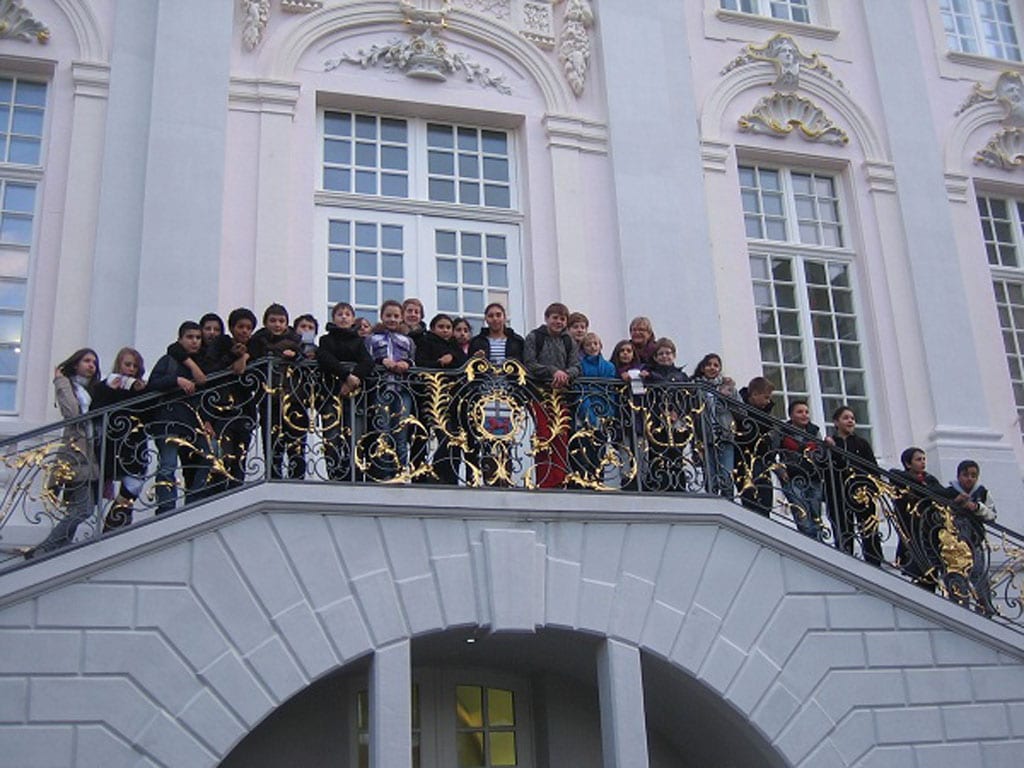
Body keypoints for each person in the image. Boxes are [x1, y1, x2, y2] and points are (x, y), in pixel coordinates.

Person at [30, 349, 102, 557]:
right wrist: (60, 382)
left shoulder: (91, 390)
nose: (91, 366)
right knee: (83, 509)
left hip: (89, 454)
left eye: (94, 363)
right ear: (75, 364)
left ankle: (59, 547)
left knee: (79, 508)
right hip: (76, 454)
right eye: (87, 361)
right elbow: (71, 413)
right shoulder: (69, 386)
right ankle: (47, 547)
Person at [147, 323, 212, 514]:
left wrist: (207, 420)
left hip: (193, 422)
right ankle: (166, 507)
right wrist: (176, 380)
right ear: (180, 339)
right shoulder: (168, 360)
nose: (194, 341)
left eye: (198, 338)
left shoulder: (201, 362)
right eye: (190, 337)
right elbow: (152, 385)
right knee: (168, 465)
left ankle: (194, 498)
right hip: (168, 421)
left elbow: (205, 394)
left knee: (211, 452)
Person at [467, 302, 525, 485]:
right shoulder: (477, 341)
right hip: (485, 395)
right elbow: (470, 368)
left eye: (498, 315)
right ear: (486, 319)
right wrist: (477, 359)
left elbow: (522, 366)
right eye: (491, 315)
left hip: (508, 395)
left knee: (506, 436)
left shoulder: (516, 341)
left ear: (504, 317)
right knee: (486, 436)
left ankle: (504, 477)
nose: (495, 318)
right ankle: (489, 477)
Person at [524, 302, 580, 488]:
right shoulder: (534, 337)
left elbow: (576, 366)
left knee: (561, 436)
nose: (558, 321)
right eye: (555, 317)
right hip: (540, 394)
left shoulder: (568, 341)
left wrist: (565, 374)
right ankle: (544, 480)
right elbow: (530, 364)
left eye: (562, 319)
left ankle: (559, 479)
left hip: (562, 394)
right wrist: (552, 371)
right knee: (544, 435)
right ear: (547, 318)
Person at [92, 347, 148, 531]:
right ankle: (110, 526)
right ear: (119, 364)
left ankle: (113, 524)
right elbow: (95, 412)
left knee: (133, 485)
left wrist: (142, 390)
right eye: (128, 364)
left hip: (134, 443)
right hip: (111, 443)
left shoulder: (140, 387)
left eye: (135, 366)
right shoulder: (105, 385)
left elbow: (147, 413)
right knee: (101, 484)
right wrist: (111, 391)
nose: (131, 369)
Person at [891, 447, 961, 593]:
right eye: (918, 459)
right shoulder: (901, 479)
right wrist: (923, 488)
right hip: (913, 529)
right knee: (920, 570)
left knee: (933, 568)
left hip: (931, 531)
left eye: (924, 459)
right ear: (908, 464)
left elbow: (942, 492)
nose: (923, 462)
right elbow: (893, 474)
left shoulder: (929, 479)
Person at [318, 302, 374, 481]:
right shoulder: (326, 340)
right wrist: (346, 376)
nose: (343, 317)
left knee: (355, 437)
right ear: (333, 318)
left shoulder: (358, 341)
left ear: (352, 320)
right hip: (330, 394)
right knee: (332, 437)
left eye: (347, 314)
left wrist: (353, 379)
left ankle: (355, 476)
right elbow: (326, 358)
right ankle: (335, 475)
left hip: (355, 397)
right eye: (339, 314)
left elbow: (368, 362)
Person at [249, 303, 305, 479]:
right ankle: (273, 476)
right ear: (265, 322)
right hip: (269, 398)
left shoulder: (297, 341)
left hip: (295, 398)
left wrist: (296, 356)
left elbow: (308, 359)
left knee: (296, 442)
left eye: (281, 321)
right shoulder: (257, 342)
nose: (277, 324)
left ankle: (297, 479)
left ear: (287, 323)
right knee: (272, 441)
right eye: (272, 320)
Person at [825, 406, 883, 566]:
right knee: (843, 527)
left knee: (869, 528)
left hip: (861, 491)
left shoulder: (861, 443)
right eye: (846, 418)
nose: (850, 421)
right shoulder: (831, 442)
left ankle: (874, 562)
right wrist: (832, 448)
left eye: (852, 418)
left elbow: (873, 468)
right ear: (836, 422)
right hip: (839, 491)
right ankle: (845, 560)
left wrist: (872, 488)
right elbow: (828, 466)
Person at [365, 299, 417, 479]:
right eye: (388, 315)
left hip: (402, 390)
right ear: (381, 316)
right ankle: (382, 474)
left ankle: (400, 472)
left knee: (401, 433)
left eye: (396, 316)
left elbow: (413, 360)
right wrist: (381, 361)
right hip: (381, 388)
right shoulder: (372, 339)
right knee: (383, 431)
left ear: (402, 318)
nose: (392, 319)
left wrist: (406, 363)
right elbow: (367, 359)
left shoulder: (408, 340)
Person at [416, 313, 468, 483]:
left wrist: (452, 357)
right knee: (446, 438)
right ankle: (435, 473)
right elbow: (421, 364)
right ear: (433, 329)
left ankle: (449, 479)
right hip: (434, 397)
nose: (445, 330)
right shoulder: (426, 342)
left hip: (454, 398)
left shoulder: (454, 346)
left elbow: (463, 364)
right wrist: (440, 362)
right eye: (441, 327)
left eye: (448, 327)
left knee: (456, 440)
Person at [948, 459, 998, 613]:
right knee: (956, 574)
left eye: (973, 475)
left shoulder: (982, 493)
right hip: (955, 543)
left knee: (978, 573)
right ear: (959, 476)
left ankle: (984, 606)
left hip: (975, 540)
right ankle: (959, 606)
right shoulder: (950, 491)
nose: (969, 478)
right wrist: (955, 503)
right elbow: (941, 511)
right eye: (965, 475)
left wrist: (976, 507)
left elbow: (992, 514)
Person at [642, 338, 691, 492]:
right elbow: (648, 398)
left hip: (677, 421)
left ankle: (678, 484)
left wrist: (678, 412)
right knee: (657, 452)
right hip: (656, 421)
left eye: (668, 353)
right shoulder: (651, 375)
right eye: (661, 354)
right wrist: (661, 412)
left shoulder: (681, 376)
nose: (665, 356)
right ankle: (658, 484)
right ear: (655, 357)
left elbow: (687, 398)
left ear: (674, 355)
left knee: (676, 453)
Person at [774, 400, 824, 539]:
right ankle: (809, 544)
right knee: (802, 516)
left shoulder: (814, 431)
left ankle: (819, 546)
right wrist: (780, 471)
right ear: (791, 415)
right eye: (800, 412)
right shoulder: (783, 430)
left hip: (813, 477)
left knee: (816, 516)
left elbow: (821, 454)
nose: (804, 415)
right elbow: (772, 452)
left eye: (806, 412)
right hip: (792, 477)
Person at [574, 331, 619, 486]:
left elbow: (611, 391)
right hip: (585, 412)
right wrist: (589, 413)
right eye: (588, 344)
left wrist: (608, 413)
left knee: (600, 451)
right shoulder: (580, 366)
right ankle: (584, 482)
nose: (592, 347)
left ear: (600, 346)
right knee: (584, 449)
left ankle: (598, 481)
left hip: (603, 412)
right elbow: (581, 390)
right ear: (583, 348)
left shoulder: (608, 366)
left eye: (595, 344)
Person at [693, 353, 736, 498]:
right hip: (705, 437)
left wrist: (729, 395)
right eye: (709, 364)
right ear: (703, 368)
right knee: (710, 477)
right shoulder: (696, 387)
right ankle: (714, 502)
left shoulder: (728, 386)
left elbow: (741, 410)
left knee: (726, 475)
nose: (712, 368)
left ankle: (728, 505)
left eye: (716, 365)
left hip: (724, 435)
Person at [736, 376, 777, 517]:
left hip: (762, 457)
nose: (768, 401)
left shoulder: (766, 412)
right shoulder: (740, 407)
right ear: (754, 394)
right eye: (766, 397)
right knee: (750, 497)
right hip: (744, 457)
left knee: (765, 497)